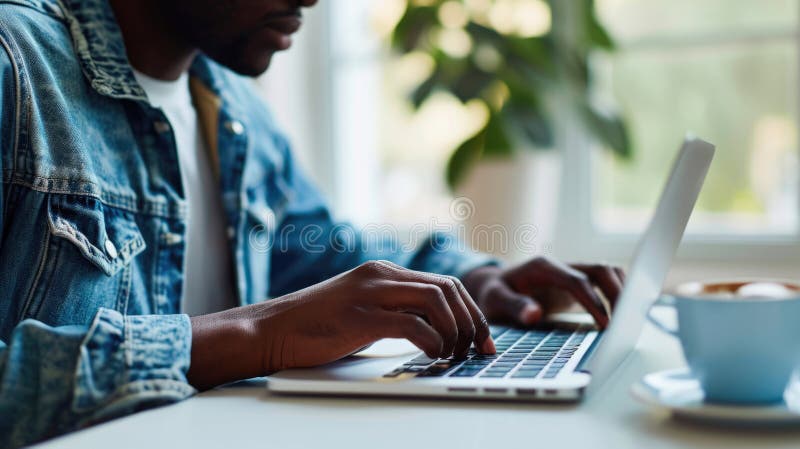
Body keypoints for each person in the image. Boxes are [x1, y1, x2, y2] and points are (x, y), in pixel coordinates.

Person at [0, 0, 625, 446]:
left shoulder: (232, 102)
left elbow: (321, 249)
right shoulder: (15, 67)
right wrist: (254, 335)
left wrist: (476, 279)